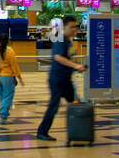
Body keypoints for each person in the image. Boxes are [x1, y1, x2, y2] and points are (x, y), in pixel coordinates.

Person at [36, 14, 86, 142]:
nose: (75, 29)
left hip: (65, 79)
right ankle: (42, 132)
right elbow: (58, 57)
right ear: (65, 27)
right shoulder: (60, 39)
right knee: (54, 105)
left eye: (76, 27)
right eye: (72, 27)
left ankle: (78, 131)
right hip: (58, 79)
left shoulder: (68, 40)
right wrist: (75, 65)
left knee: (75, 103)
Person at [0, 31, 23, 121]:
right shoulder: (10, 52)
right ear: (8, 41)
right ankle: (3, 114)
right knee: (8, 95)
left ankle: (4, 113)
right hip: (7, 76)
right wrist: (19, 77)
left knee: (2, 96)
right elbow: (14, 66)